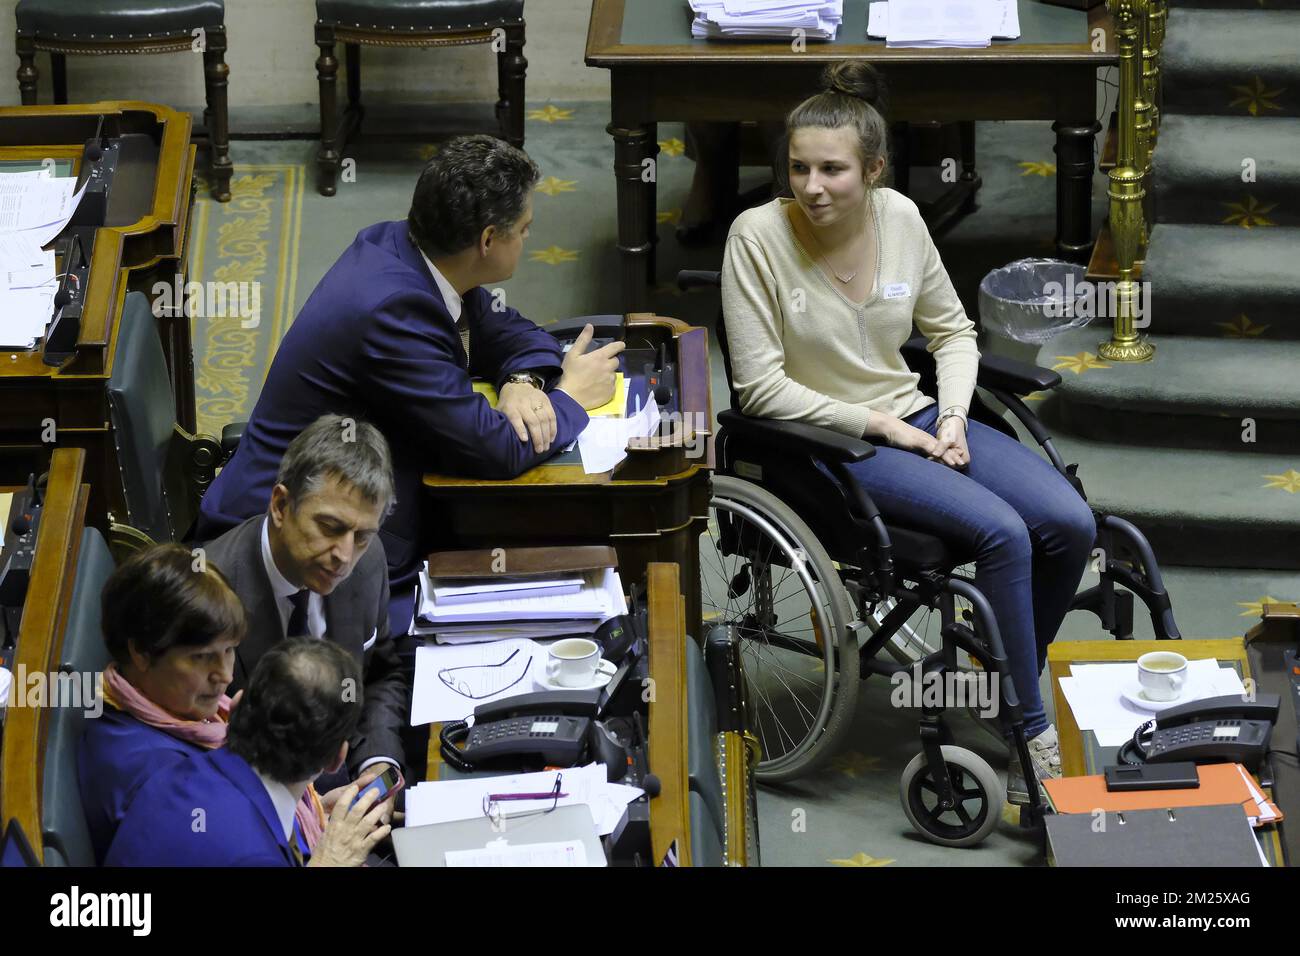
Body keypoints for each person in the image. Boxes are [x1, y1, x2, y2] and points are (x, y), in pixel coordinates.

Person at [720, 62, 1096, 801]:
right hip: (833, 443)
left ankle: (992, 674)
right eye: (798, 167)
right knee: (1004, 533)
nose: (811, 186)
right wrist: (886, 426)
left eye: (832, 169)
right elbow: (759, 388)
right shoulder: (756, 237)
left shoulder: (900, 218)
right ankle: (1028, 731)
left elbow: (952, 334)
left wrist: (950, 416)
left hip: (918, 412)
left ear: (874, 170)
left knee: (1069, 524)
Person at [196, 134, 624, 634]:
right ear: (488, 240)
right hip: (293, 548)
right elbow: (495, 448)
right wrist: (571, 396)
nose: (529, 238)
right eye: (525, 229)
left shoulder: (408, 248)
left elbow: (512, 332)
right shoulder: (393, 309)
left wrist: (523, 382)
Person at [78, 545, 383, 864]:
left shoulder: (173, 714)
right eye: (201, 657)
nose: (224, 676)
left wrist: (305, 807)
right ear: (141, 652)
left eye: (229, 651)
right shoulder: (150, 774)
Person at [201, 414, 410, 784]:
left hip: (344, 776)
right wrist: (302, 811)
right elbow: (193, 748)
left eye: (361, 536)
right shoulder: (210, 593)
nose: (345, 555)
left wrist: (378, 763)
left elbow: (380, 673)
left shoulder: (368, 559)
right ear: (281, 506)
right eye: (330, 528)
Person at [105, 639, 390, 867]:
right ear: (335, 759)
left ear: (236, 705)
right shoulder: (254, 857)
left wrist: (312, 816)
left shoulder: (174, 768)